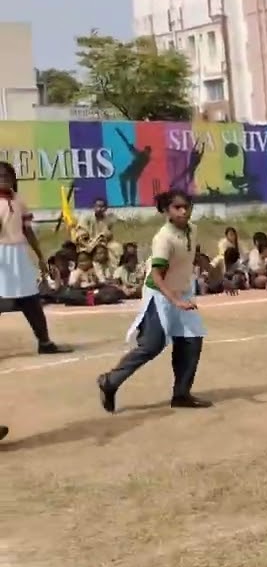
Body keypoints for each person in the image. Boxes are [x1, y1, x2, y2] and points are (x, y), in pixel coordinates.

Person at [97, 190, 219, 412]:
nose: (183, 211)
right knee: (151, 345)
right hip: (160, 295)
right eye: (177, 207)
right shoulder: (163, 239)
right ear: (166, 211)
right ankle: (110, 381)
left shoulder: (192, 229)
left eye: (187, 206)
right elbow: (156, 276)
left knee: (191, 341)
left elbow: (194, 255)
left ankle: (181, 394)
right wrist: (176, 302)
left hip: (182, 292)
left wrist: (214, 273)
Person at [0, 161, 70, 355]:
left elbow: (27, 231)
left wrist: (39, 255)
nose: (3, 178)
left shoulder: (19, 201)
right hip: (1, 253)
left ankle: (45, 343)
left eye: (7, 175)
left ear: (13, 179)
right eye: (0, 176)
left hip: (19, 254)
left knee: (30, 299)